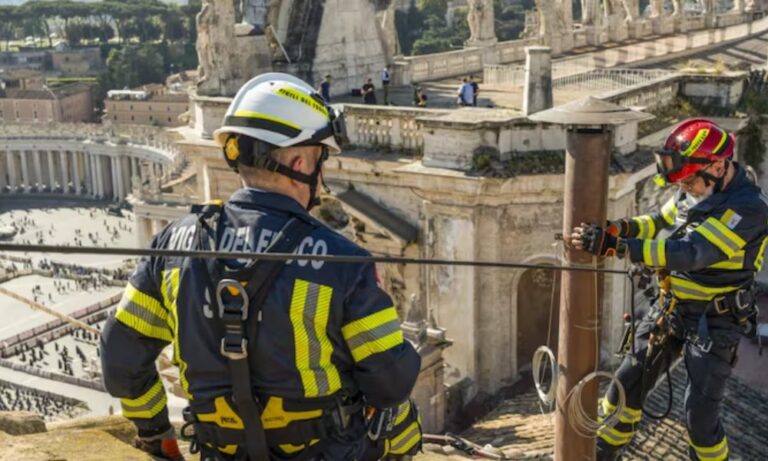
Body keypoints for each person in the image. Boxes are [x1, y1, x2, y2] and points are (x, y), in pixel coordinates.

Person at [100, 72, 422, 461]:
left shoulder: (172, 245)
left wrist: (156, 434)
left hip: (221, 454)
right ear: (301, 161)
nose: (321, 176)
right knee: (399, 418)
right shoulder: (344, 262)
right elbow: (391, 382)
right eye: (321, 161)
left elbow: (120, 360)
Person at [570, 118, 767, 461]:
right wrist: (620, 228)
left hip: (715, 321)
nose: (685, 187)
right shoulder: (698, 185)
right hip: (671, 310)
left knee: (699, 420)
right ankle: (603, 453)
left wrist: (617, 246)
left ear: (718, 166)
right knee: (623, 387)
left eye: (689, 180)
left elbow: (690, 254)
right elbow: (660, 221)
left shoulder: (749, 210)